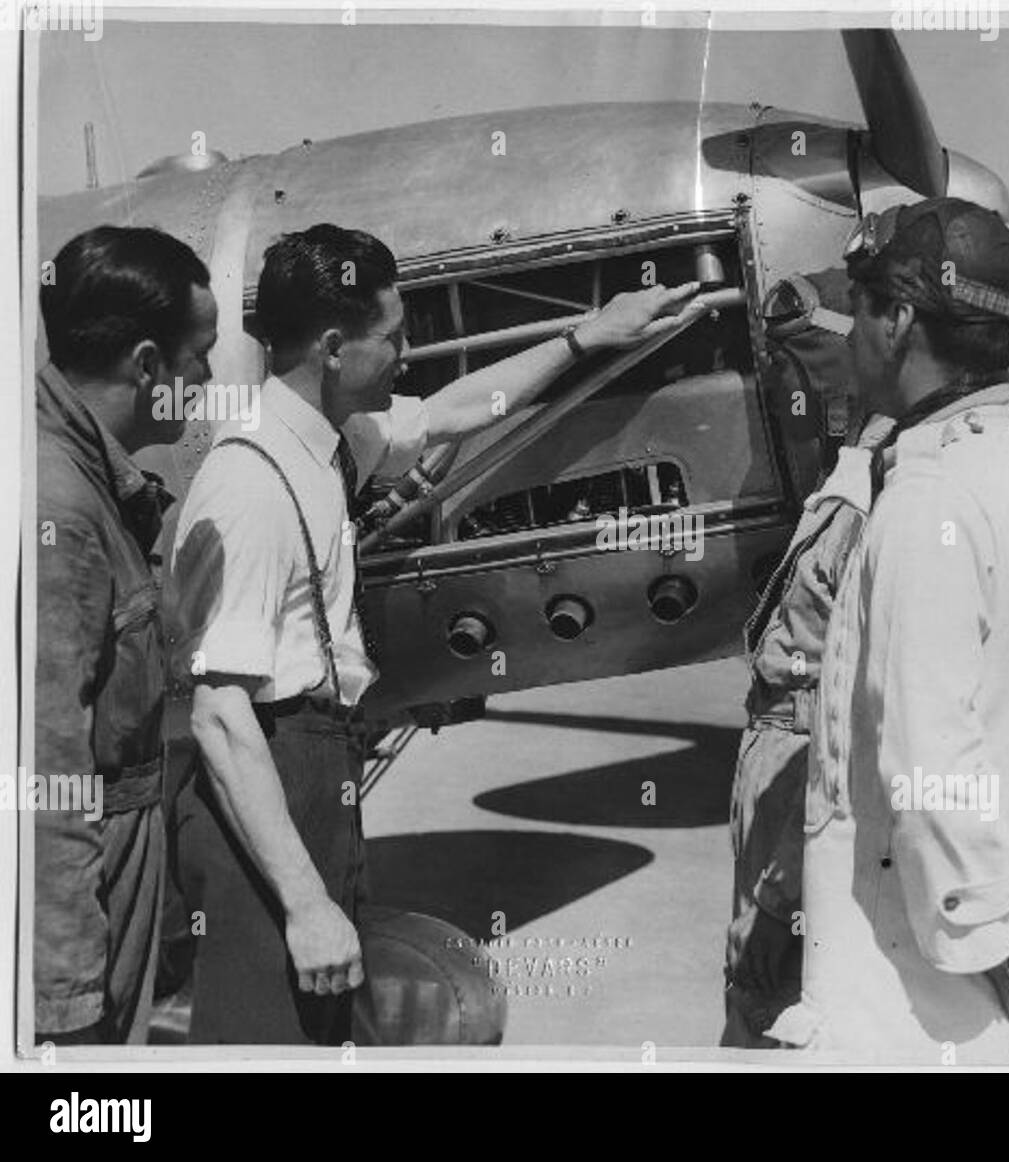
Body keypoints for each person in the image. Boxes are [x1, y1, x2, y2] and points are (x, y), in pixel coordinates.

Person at [168, 223, 703, 1043]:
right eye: (394, 338)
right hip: (267, 777)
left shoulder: (332, 437)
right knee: (256, 1044)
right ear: (335, 347)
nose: (407, 355)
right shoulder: (249, 480)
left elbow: (457, 410)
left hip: (313, 769)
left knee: (311, 1040)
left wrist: (581, 338)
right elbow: (218, 713)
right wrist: (307, 905)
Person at [768, 198, 1009, 1058]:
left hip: (914, 1008)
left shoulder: (928, 505)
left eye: (859, 309)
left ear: (896, 320)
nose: (850, 336)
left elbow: (932, 764)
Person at [35, 225, 217, 1043]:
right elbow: (43, 777)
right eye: (198, 356)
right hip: (84, 888)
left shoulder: (85, 479)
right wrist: (67, 1001)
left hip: (119, 863)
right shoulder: (60, 512)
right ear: (147, 366)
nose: (209, 379)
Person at [722, 267, 896, 1046]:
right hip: (777, 766)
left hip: (798, 782)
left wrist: (777, 896)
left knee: (766, 1016)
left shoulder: (877, 495)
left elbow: (846, 726)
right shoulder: (855, 470)